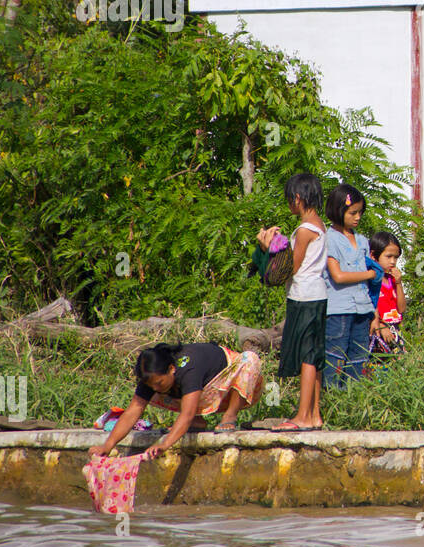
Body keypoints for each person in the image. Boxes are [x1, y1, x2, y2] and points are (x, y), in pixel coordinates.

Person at [88, 341, 264, 459]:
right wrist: (108, 445)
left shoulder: (189, 369)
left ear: (172, 368)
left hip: (229, 387)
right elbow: (133, 410)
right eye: (152, 385)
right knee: (153, 395)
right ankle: (199, 420)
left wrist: (165, 445)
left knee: (250, 359)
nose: (156, 388)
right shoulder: (153, 380)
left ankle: (230, 416)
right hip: (200, 394)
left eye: (159, 383)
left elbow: (186, 414)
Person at [256, 172, 327, 432]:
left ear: (297, 198)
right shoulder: (318, 224)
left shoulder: (306, 230)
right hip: (316, 294)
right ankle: (314, 414)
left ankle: (302, 416)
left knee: (307, 356)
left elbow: (291, 267)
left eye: (289, 199)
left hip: (304, 296)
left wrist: (269, 248)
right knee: (314, 355)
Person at [322, 184, 378, 387]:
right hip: (338, 310)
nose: (358, 217)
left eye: (360, 212)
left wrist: (374, 314)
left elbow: (373, 285)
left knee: (358, 358)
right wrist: (370, 274)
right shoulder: (329, 238)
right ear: (338, 210)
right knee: (335, 357)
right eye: (353, 212)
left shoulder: (362, 241)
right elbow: (337, 276)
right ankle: (331, 401)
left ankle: (352, 401)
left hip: (363, 308)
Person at [367, 230, 406, 362]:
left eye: (395, 257)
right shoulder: (371, 279)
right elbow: (370, 304)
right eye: (388, 257)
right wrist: (382, 326)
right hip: (379, 329)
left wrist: (399, 283)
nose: (393, 261)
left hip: (395, 329)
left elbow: (401, 309)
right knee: (379, 367)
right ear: (373, 255)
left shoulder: (392, 280)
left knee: (399, 367)